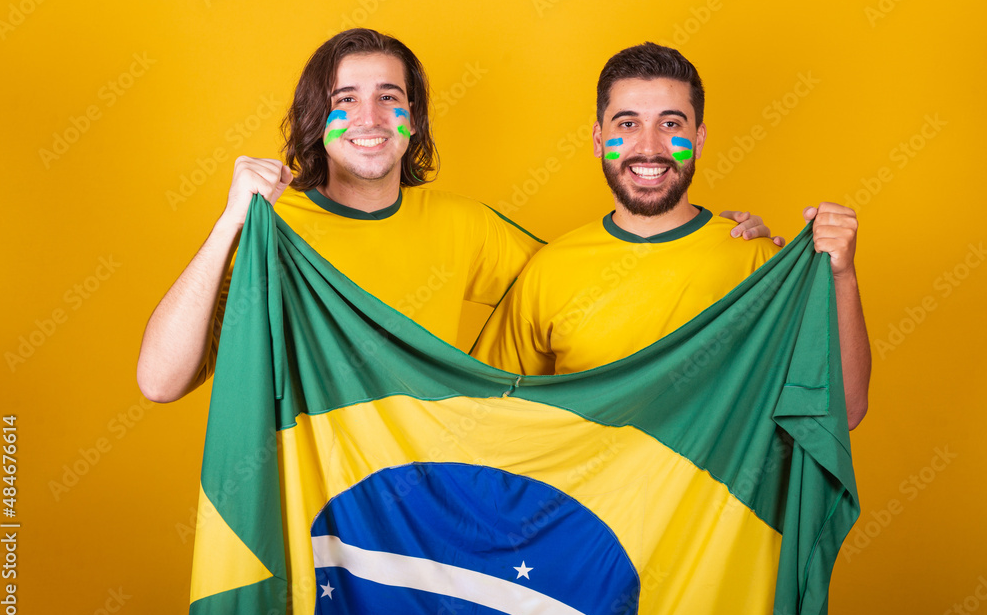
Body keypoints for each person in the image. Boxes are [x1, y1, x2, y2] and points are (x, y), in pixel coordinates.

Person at [136, 29, 774, 404]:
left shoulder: (466, 226)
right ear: (314, 116)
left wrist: (722, 242)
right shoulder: (272, 230)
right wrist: (229, 225)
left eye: (391, 98)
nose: (370, 118)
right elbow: (160, 382)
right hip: (296, 504)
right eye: (346, 100)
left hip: (416, 515)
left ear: (413, 119)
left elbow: (598, 280)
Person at [473, 42, 870, 429]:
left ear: (698, 140)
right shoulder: (549, 271)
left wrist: (842, 276)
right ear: (599, 141)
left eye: (670, 124)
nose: (649, 147)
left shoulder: (756, 261)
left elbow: (843, 411)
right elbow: (485, 416)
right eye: (628, 124)